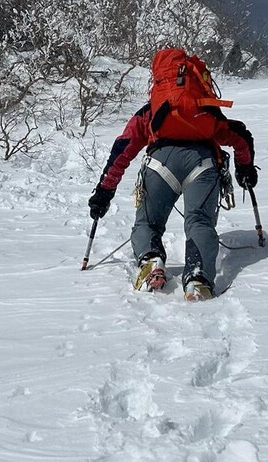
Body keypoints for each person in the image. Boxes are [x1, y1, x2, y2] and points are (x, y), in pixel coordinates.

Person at [87, 48, 257, 301]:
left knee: (148, 223)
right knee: (199, 221)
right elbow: (240, 137)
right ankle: (198, 278)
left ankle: (151, 260)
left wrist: (105, 190)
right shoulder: (204, 109)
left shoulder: (151, 112)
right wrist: (245, 168)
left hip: (160, 163)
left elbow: (122, 149)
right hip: (203, 164)